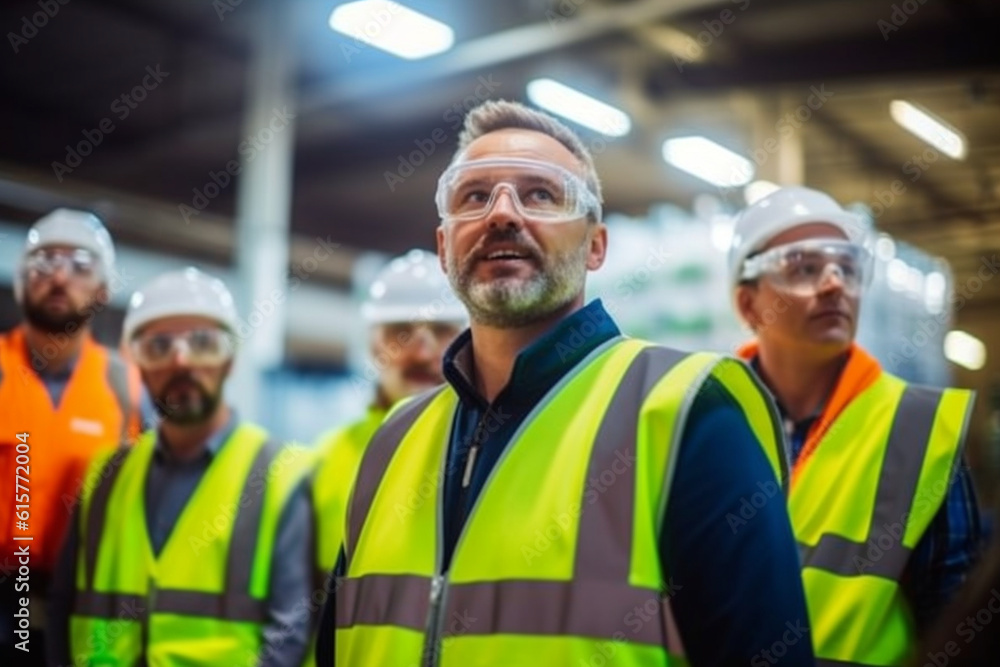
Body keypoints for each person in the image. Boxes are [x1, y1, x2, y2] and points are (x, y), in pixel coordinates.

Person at [316, 100, 814, 666]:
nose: (502, 215)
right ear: (444, 246)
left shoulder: (688, 414)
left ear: (595, 245)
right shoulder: (393, 443)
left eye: (540, 194)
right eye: (474, 197)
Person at [728, 186, 984, 666]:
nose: (834, 284)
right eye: (805, 268)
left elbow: (956, 625)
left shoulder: (920, 429)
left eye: (846, 268)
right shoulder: (703, 419)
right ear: (748, 305)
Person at [47, 268, 315, 667]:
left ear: (230, 360)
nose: (181, 360)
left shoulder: (280, 473)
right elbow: (62, 609)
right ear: (137, 363)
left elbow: (290, 634)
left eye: (203, 343)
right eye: (158, 346)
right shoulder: (106, 475)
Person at [0, 208, 141, 665]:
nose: (59, 277)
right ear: (21, 283)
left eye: (79, 265)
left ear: (102, 290)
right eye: (44, 263)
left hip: (82, 604)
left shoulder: (128, 388)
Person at [312, 249, 465, 580]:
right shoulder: (325, 460)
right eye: (401, 332)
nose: (422, 352)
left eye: (441, 330)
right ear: (373, 346)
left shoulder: (485, 449)